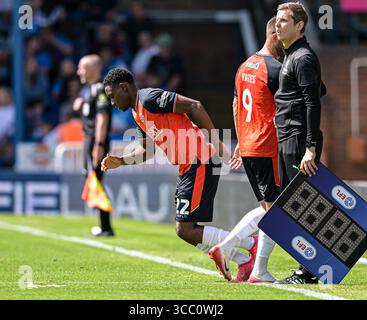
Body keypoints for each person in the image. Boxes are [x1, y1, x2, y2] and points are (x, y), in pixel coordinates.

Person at [101, 68, 257, 281]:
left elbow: (195, 105)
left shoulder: (149, 99)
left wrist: (217, 143)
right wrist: (121, 161)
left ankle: (249, 248)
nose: (112, 103)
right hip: (188, 167)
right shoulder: (137, 114)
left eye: (112, 97)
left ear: (124, 87)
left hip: (200, 160)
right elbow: (148, 150)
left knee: (184, 229)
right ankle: (244, 255)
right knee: (185, 229)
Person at [208, 16, 285, 283]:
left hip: (249, 144)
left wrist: (241, 139)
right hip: (267, 145)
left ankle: (229, 249)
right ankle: (254, 267)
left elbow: (235, 104)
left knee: (269, 207)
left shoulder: (244, 66)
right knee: (277, 209)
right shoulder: (274, 68)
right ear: (274, 35)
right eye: (283, 38)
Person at [273, 2, 326, 284]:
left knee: (302, 205)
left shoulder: (303, 56)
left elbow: (313, 102)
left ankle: (309, 271)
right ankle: (305, 267)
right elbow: (319, 89)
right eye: (277, 20)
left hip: (298, 139)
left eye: (283, 20)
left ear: (300, 25)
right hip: (288, 137)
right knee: (292, 205)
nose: (277, 25)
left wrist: (310, 147)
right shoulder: (292, 55)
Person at [74, 54, 115, 237]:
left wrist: (98, 144)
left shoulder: (100, 89)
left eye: (82, 68)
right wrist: (81, 105)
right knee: (93, 179)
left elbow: (102, 117)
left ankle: (106, 226)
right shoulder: (89, 90)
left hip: (96, 141)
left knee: (95, 180)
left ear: (93, 69)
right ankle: (104, 225)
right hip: (91, 140)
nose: (78, 72)